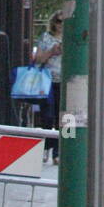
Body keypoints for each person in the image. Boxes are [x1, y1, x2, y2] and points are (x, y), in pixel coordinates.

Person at [34, 12, 63, 162]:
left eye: (64, 21)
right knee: (48, 116)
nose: (61, 24)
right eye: (58, 21)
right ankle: (47, 148)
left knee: (65, 118)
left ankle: (59, 152)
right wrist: (52, 51)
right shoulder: (46, 37)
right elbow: (37, 59)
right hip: (48, 80)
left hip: (67, 81)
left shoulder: (73, 36)